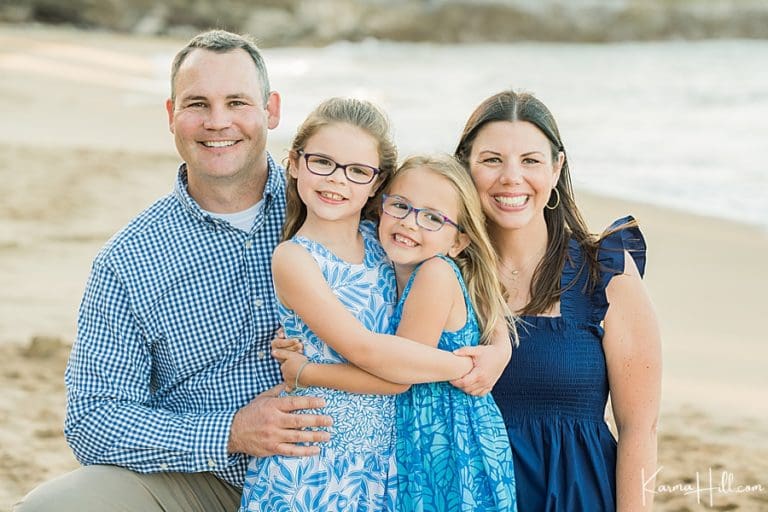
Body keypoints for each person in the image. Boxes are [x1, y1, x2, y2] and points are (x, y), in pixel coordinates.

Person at [14, 30, 334, 512]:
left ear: (271, 109)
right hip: (207, 485)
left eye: (237, 102)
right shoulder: (129, 259)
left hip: (350, 471)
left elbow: (453, 257)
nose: (217, 122)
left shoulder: (334, 207)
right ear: (171, 116)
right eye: (197, 104)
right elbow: (93, 420)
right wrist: (231, 432)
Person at [239, 102, 487, 511]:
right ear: (295, 163)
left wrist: (498, 349)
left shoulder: (385, 242)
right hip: (315, 456)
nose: (338, 180)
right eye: (323, 162)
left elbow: (457, 291)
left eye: (357, 171)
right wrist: (464, 366)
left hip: (383, 461)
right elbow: (378, 360)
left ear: (377, 184)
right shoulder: (295, 259)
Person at [454, 90, 662, 511]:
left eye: (530, 160)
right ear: (465, 167)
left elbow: (640, 429)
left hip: (576, 497)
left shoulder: (605, 271)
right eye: (492, 160)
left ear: (556, 168)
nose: (511, 177)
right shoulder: (441, 271)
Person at [274, 154, 519, 511]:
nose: (409, 223)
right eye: (401, 206)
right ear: (382, 206)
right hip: (426, 438)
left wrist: (305, 371)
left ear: (458, 242)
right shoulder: (386, 257)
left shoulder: (434, 273)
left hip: (447, 441)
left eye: (433, 218)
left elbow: (396, 376)